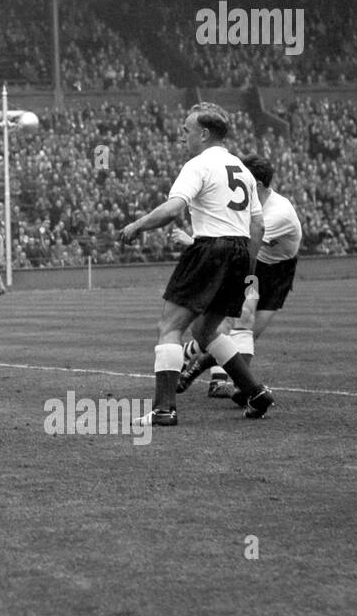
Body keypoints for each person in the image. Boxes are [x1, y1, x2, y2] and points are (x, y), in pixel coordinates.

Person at [118, 103, 273, 426]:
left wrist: (138, 225)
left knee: (170, 327)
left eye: (186, 131)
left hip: (210, 249)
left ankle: (164, 409)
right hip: (240, 251)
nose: (182, 136)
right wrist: (249, 270)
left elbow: (173, 209)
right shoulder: (243, 170)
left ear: (203, 134)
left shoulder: (198, 165)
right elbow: (257, 226)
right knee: (204, 330)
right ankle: (255, 392)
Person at [173, 154, 302, 403]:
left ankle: (193, 360)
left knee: (247, 335)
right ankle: (237, 386)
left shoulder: (279, 213)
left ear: (260, 186)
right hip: (250, 264)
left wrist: (190, 242)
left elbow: (241, 239)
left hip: (275, 272)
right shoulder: (245, 205)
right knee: (241, 322)